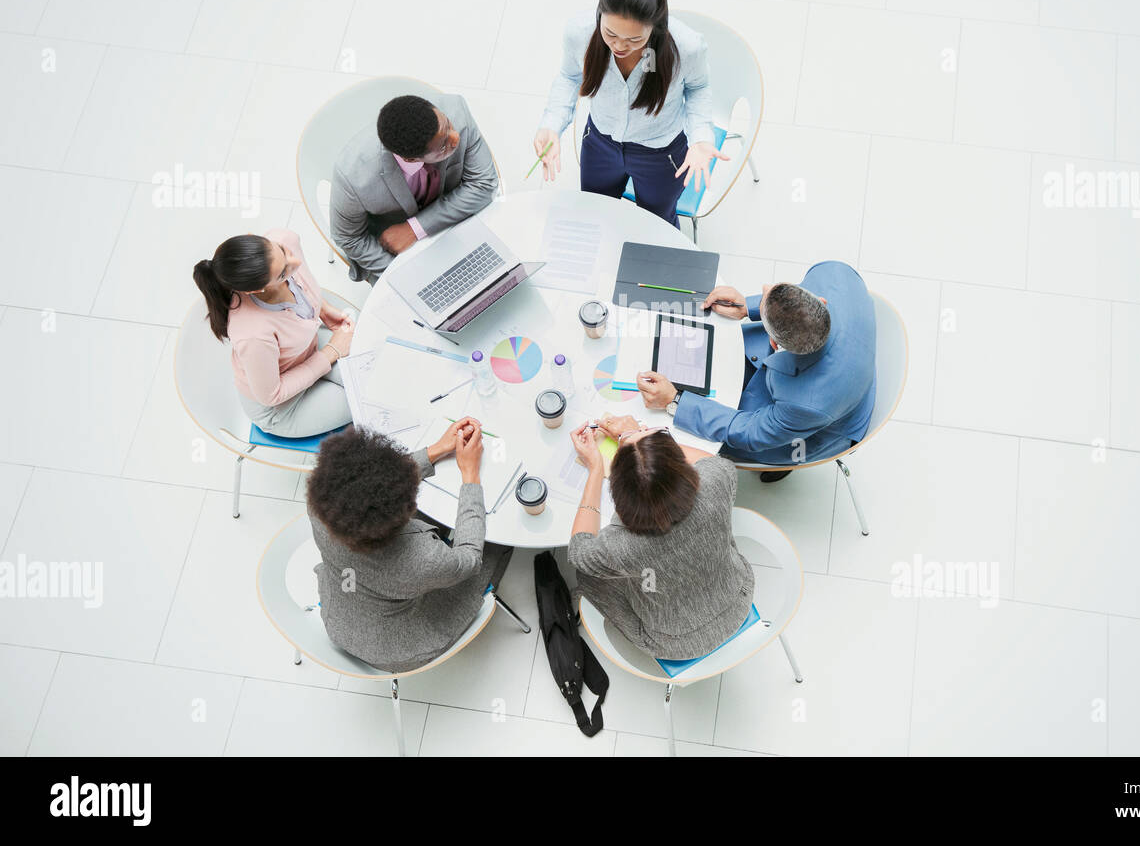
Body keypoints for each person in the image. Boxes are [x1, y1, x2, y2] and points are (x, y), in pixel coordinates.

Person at [306, 418, 515, 672]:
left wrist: (435, 451)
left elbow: (369, 483)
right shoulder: (421, 558)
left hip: (339, 619)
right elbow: (469, 558)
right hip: (398, 648)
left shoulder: (322, 506)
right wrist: (470, 475)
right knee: (496, 540)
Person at [636, 261, 877, 481]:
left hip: (818, 430)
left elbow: (750, 433)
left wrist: (676, 400)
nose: (764, 286)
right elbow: (797, 301)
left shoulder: (806, 404)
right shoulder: (834, 273)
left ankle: (783, 465)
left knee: (707, 435)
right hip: (849, 361)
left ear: (774, 345)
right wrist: (748, 307)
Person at [533, 0, 727, 228]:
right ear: (600, 14)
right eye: (610, 33)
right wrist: (552, 125)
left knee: (656, 224)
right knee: (594, 214)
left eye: (635, 40)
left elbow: (698, 88)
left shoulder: (686, 47)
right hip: (600, 143)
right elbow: (569, 77)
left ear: (655, 28)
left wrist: (701, 138)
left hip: (661, 153)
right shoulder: (580, 32)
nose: (620, 46)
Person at [565, 415, 754, 661]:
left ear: (619, 497)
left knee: (586, 575)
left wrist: (596, 468)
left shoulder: (617, 546)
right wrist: (639, 439)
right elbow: (706, 460)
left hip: (675, 646)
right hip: (739, 599)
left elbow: (579, 550)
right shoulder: (718, 479)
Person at [193, 228, 353, 439]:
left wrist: (322, 309)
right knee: (365, 400)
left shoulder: (286, 240)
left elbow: (301, 286)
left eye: (282, 251)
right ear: (254, 291)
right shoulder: (253, 334)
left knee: (370, 372)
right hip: (282, 407)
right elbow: (272, 394)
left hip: (305, 352)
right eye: (283, 273)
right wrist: (332, 352)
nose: (294, 262)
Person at [331, 93, 499, 284]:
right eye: (444, 145)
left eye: (448, 125)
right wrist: (408, 275)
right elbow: (349, 237)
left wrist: (414, 229)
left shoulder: (455, 108)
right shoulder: (353, 176)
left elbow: (484, 183)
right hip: (395, 250)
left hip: (456, 220)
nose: (456, 138)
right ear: (410, 159)